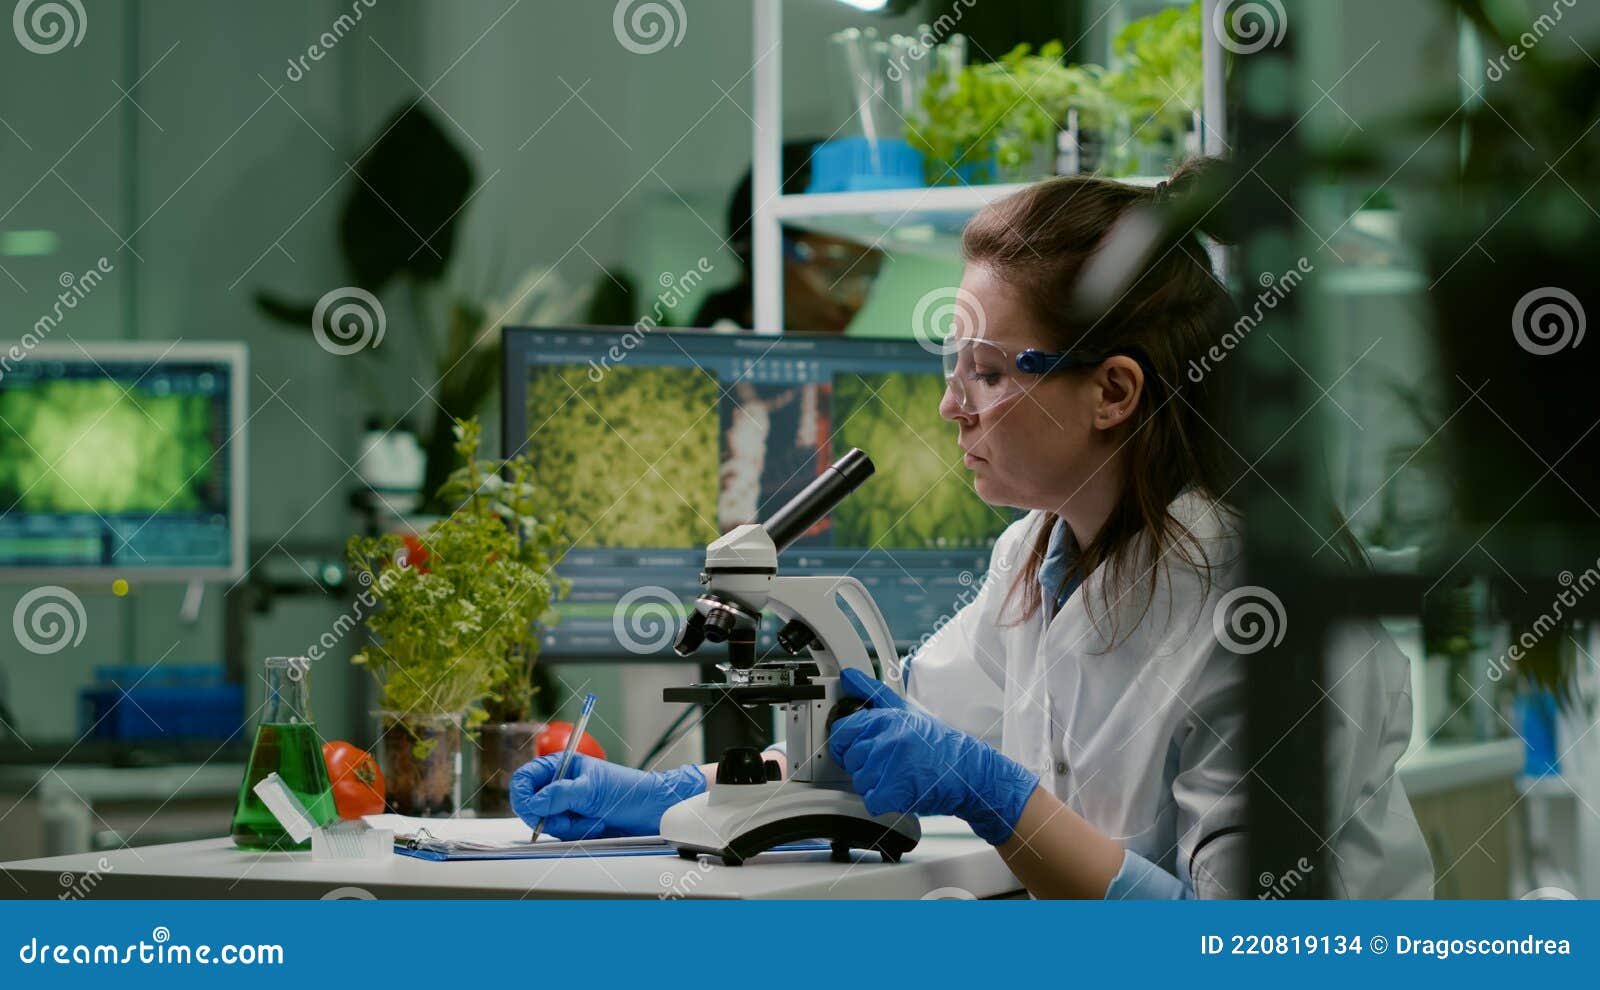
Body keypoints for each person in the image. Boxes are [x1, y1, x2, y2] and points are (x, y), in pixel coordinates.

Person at [511, 162, 1435, 899]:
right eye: (956, 365)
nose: (953, 404)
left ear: (1113, 390)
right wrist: (669, 798)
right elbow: (878, 727)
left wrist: (998, 798)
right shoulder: (1034, 552)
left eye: (990, 371)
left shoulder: (1267, 614)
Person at [694, 139, 884, 334]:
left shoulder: (839, 360)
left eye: (869, 276)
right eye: (836, 272)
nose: (855, 302)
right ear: (763, 254)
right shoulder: (704, 357)